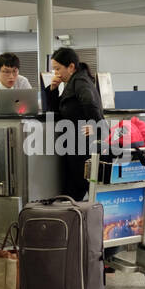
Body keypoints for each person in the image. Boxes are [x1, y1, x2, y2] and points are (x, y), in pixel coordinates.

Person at [43, 47, 104, 203]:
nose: (56, 73)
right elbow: (57, 110)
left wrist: (95, 125)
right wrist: (53, 90)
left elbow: (90, 103)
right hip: (75, 144)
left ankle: (72, 224)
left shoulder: (79, 81)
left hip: (82, 146)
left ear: (70, 67)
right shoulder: (74, 81)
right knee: (74, 189)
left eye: (58, 68)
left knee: (75, 189)